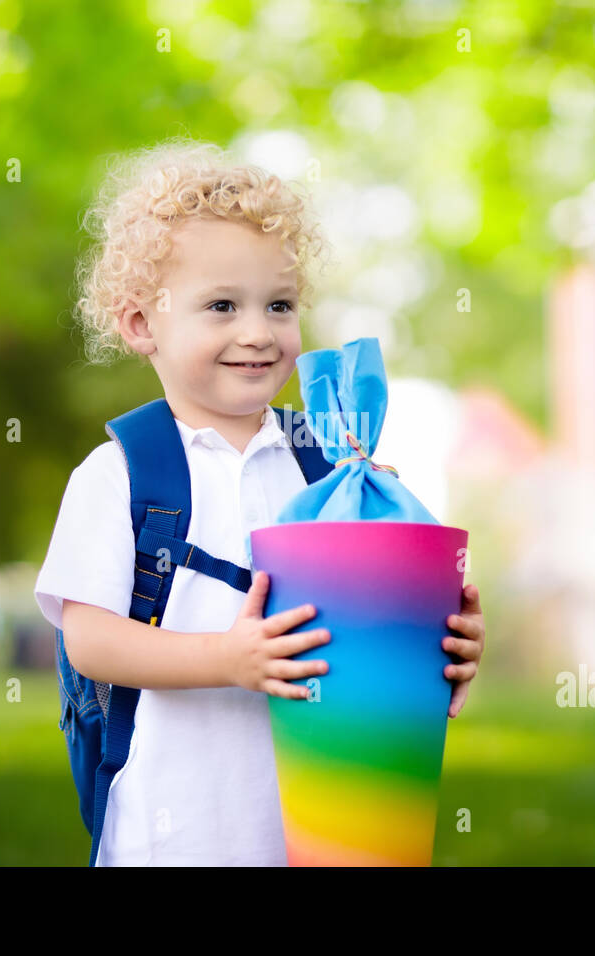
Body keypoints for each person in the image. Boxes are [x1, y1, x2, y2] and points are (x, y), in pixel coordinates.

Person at [34, 138, 485, 865]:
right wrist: (228, 658)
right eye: (221, 305)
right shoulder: (118, 474)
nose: (257, 332)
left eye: (279, 304)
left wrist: (446, 641)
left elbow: (382, 623)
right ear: (141, 324)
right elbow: (90, 641)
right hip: (170, 833)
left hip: (318, 833)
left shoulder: (334, 470)